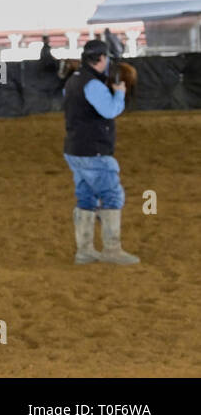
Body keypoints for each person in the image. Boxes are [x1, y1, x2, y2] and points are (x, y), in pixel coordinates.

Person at [62, 38, 139, 265]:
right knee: (112, 195)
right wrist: (119, 93)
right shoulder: (93, 85)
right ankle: (112, 250)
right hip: (94, 150)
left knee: (86, 197)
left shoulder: (73, 81)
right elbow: (110, 110)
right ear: (102, 59)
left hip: (74, 148)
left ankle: (84, 251)